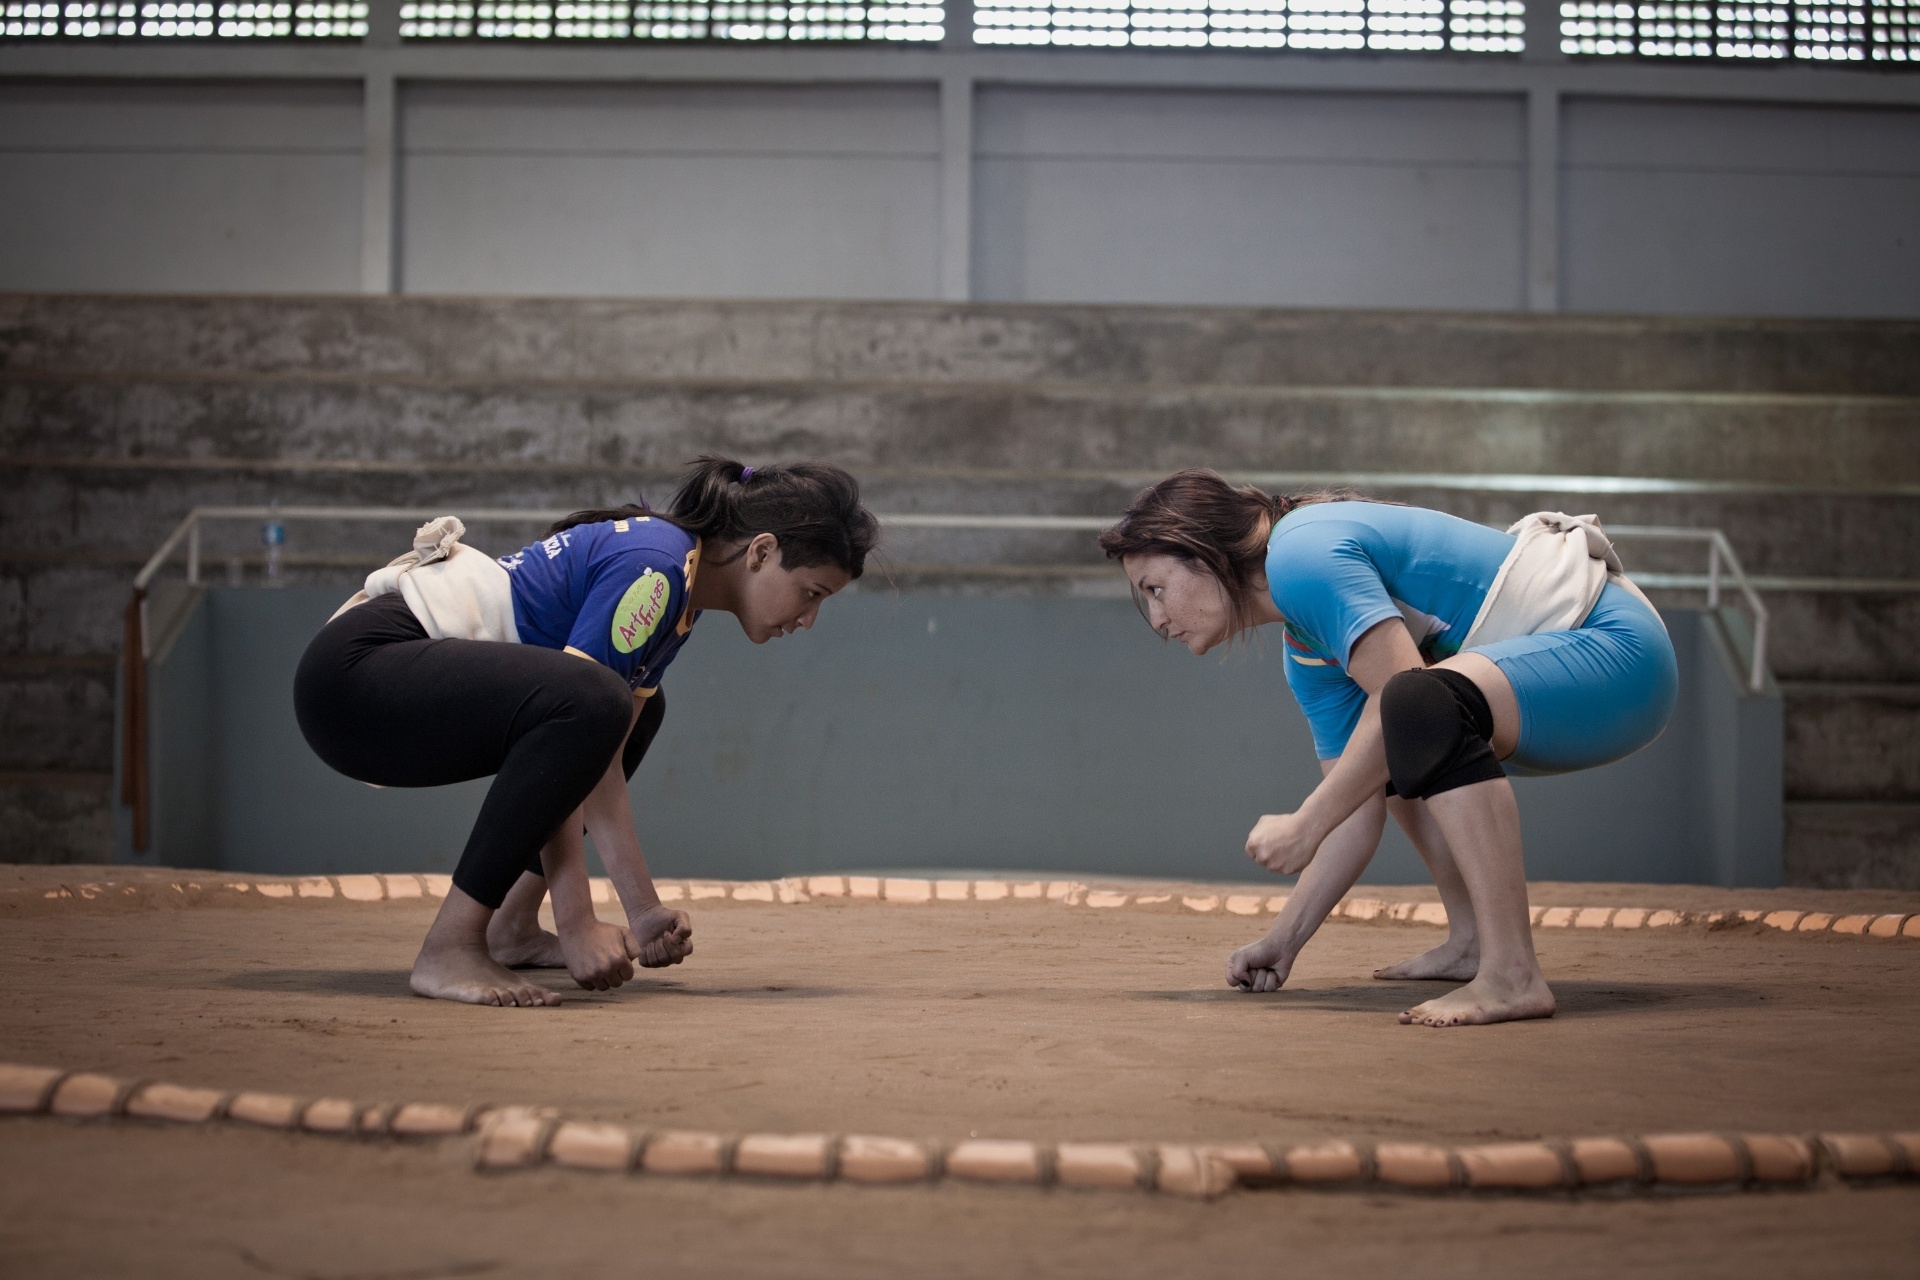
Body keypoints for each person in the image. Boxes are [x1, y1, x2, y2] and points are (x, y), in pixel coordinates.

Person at [1098, 470, 1677, 1027]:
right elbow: (1354, 808)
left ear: (1203, 557)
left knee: (1415, 705)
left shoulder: (1299, 553)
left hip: (1618, 653)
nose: (1157, 618)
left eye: (1156, 590)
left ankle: (1512, 974)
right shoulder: (1307, 652)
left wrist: (1305, 824)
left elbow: (1407, 691)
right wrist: (1283, 940)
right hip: (1559, 689)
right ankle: (1473, 940)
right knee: (1386, 740)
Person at [294, 456, 879, 1007]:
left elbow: (599, 765)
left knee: (633, 712)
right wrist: (577, 923)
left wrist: (643, 912)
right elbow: (582, 719)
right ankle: (450, 945)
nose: (808, 619)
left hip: (378, 695)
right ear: (762, 551)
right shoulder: (656, 567)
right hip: (354, 680)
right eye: (811, 594)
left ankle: (510, 927)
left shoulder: (680, 594)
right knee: (595, 701)